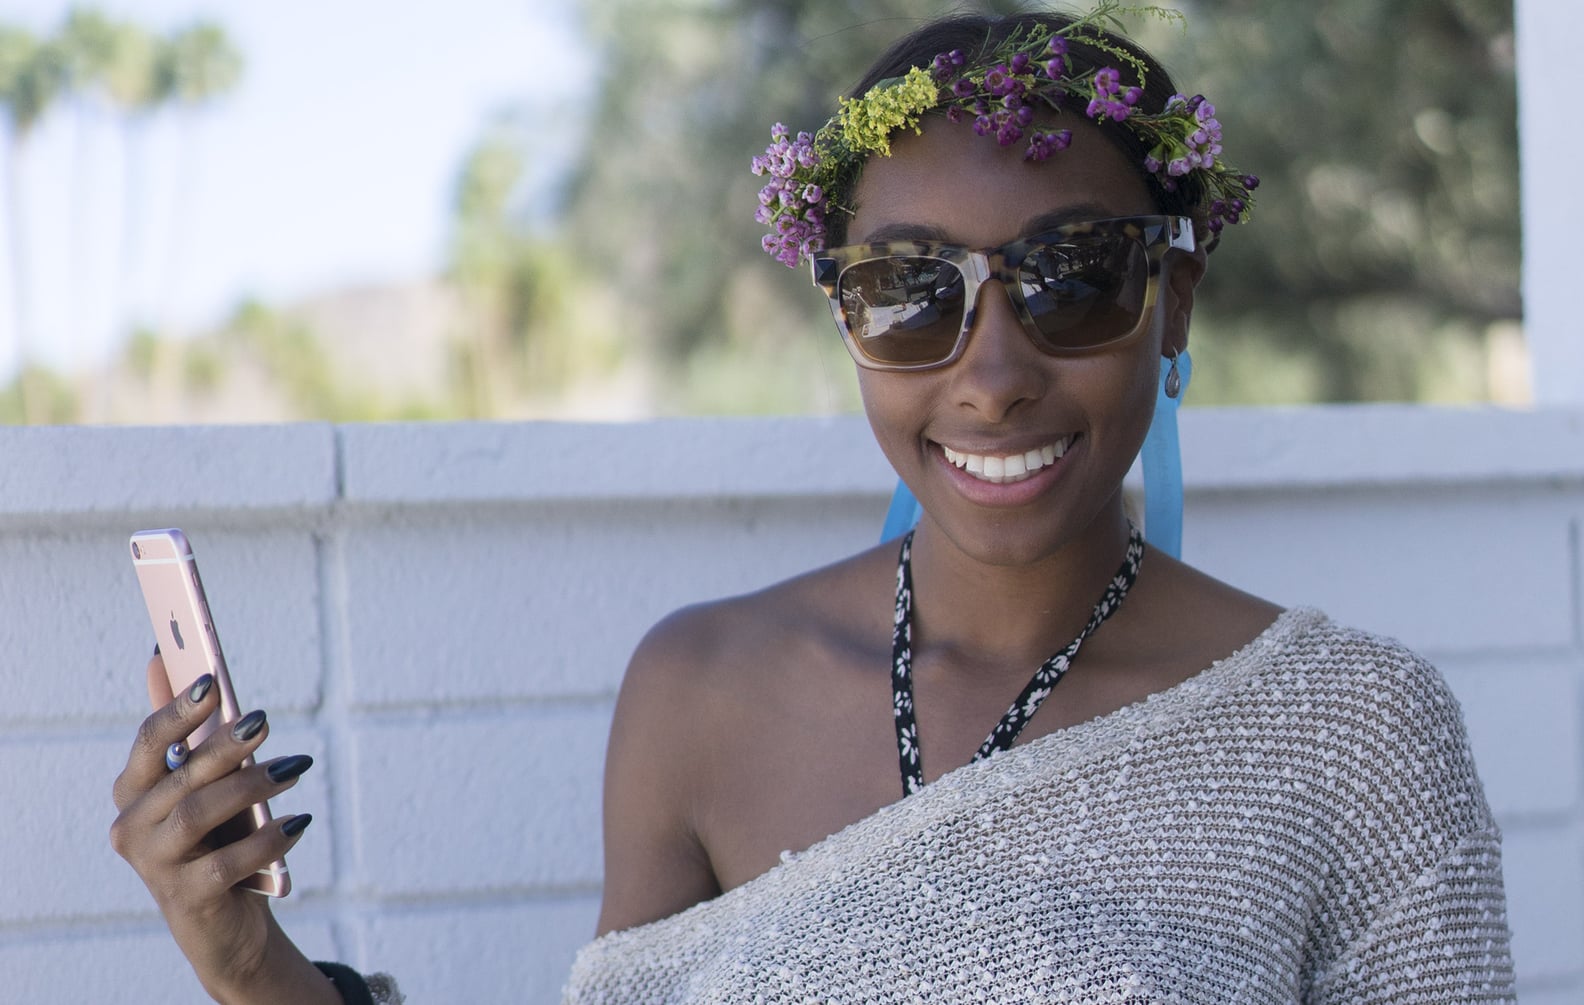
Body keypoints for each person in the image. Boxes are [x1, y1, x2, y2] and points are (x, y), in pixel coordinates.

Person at [111, 4, 1516, 1002]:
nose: (996, 373)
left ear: (1174, 298)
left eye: (1074, 275)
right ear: (847, 318)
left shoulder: (1356, 738)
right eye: (911, 295)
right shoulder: (703, 688)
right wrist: (252, 970)